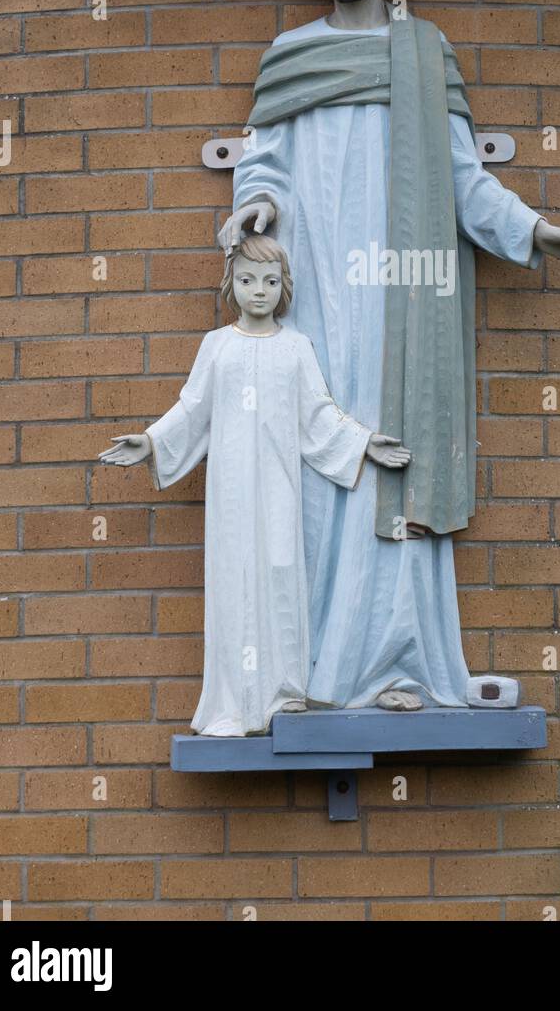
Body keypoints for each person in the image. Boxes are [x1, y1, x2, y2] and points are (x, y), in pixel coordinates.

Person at [218, 0, 560, 713]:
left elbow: (463, 180)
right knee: (326, 458)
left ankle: (399, 664)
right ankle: (317, 672)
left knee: (396, 451)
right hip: (321, 295)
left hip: (406, 295)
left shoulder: (424, 52)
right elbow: (263, 165)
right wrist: (254, 205)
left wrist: (538, 232)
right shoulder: (290, 56)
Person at [96, 233, 410, 737]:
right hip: (231, 493)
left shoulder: (296, 348)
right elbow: (193, 409)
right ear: (232, 284)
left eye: (268, 281)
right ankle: (231, 704)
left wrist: (363, 442)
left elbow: (318, 416)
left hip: (279, 489)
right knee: (232, 584)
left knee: (281, 577)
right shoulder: (216, 347)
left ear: (282, 287)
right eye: (246, 280)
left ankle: (283, 695)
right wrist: (152, 442)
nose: (257, 291)